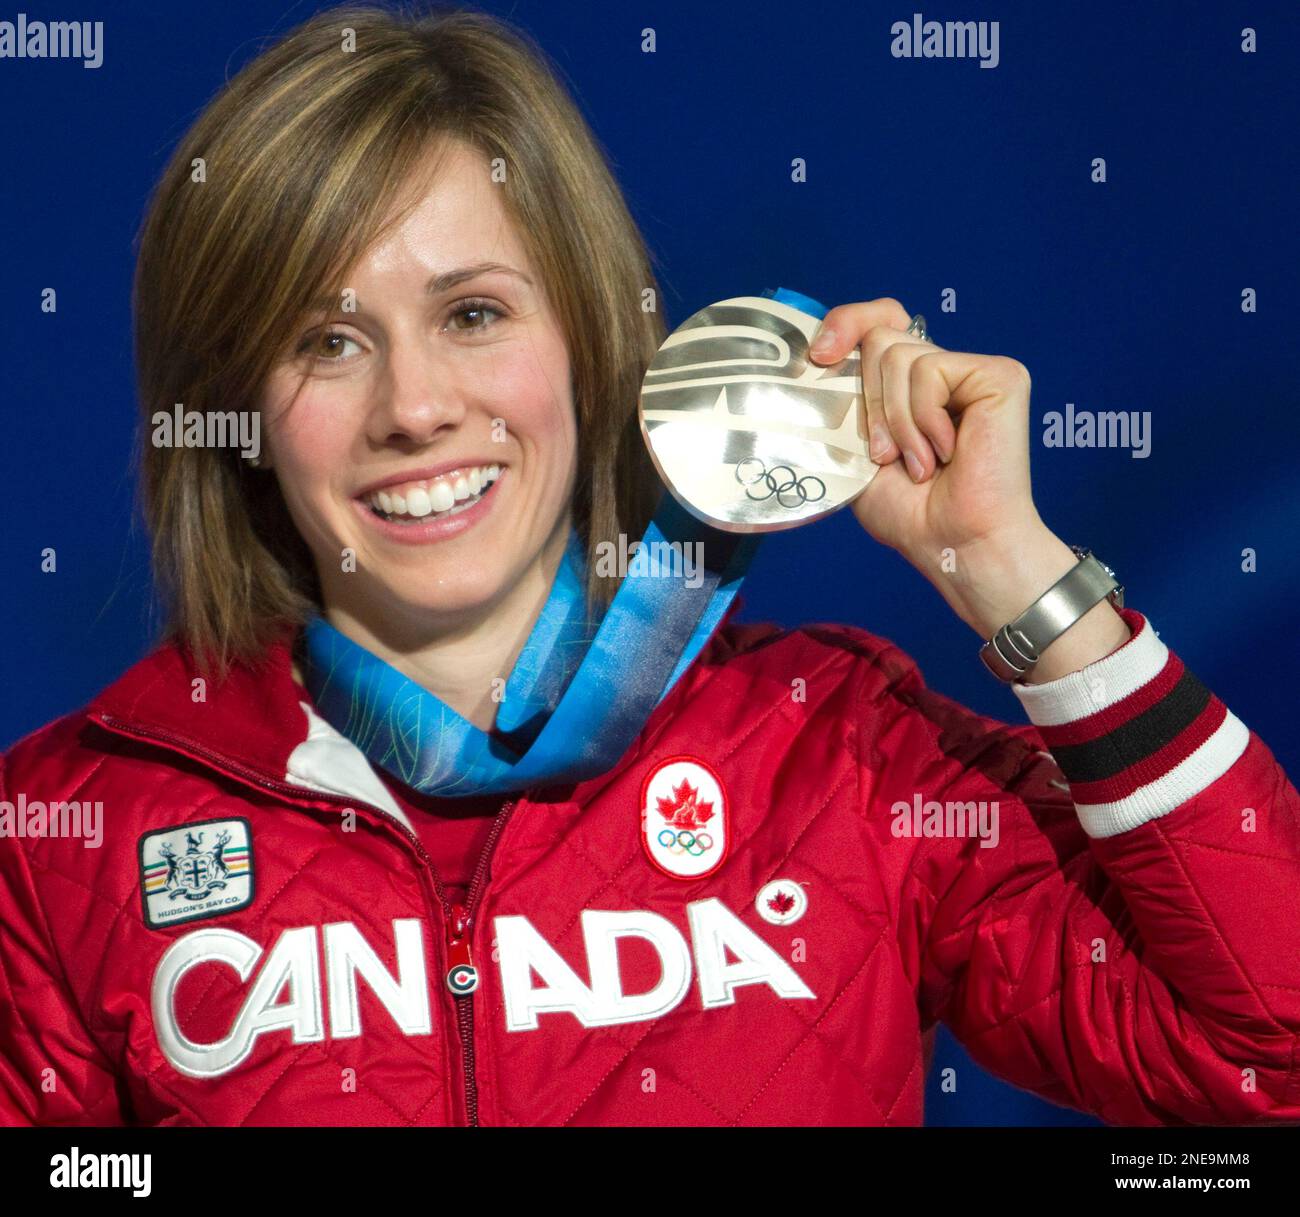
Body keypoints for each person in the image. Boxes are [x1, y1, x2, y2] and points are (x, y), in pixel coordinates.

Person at [1, 3, 1297, 1128]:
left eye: (472, 314)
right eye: (327, 342)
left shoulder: (841, 758)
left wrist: (1014, 570)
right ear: (238, 407)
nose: (414, 405)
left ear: (588, 337)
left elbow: (1266, 1060)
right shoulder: (74, 834)